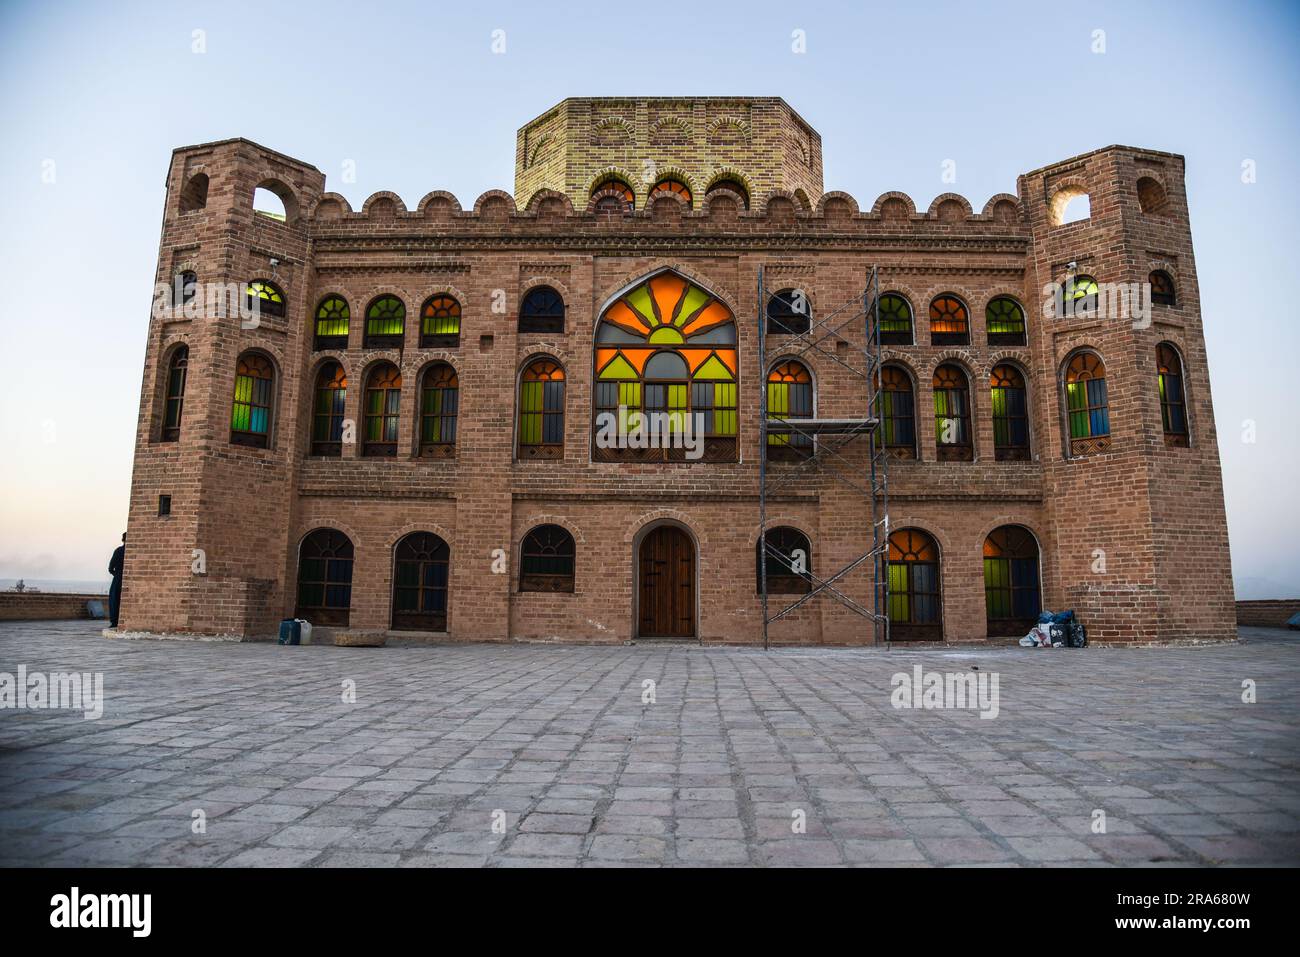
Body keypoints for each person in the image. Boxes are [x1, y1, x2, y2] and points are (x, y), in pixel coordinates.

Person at [108, 533, 126, 628]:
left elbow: (110, 568)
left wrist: (117, 575)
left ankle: (114, 621)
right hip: (125, 578)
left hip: (118, 578)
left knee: (114, 600)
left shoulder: (118, 551)